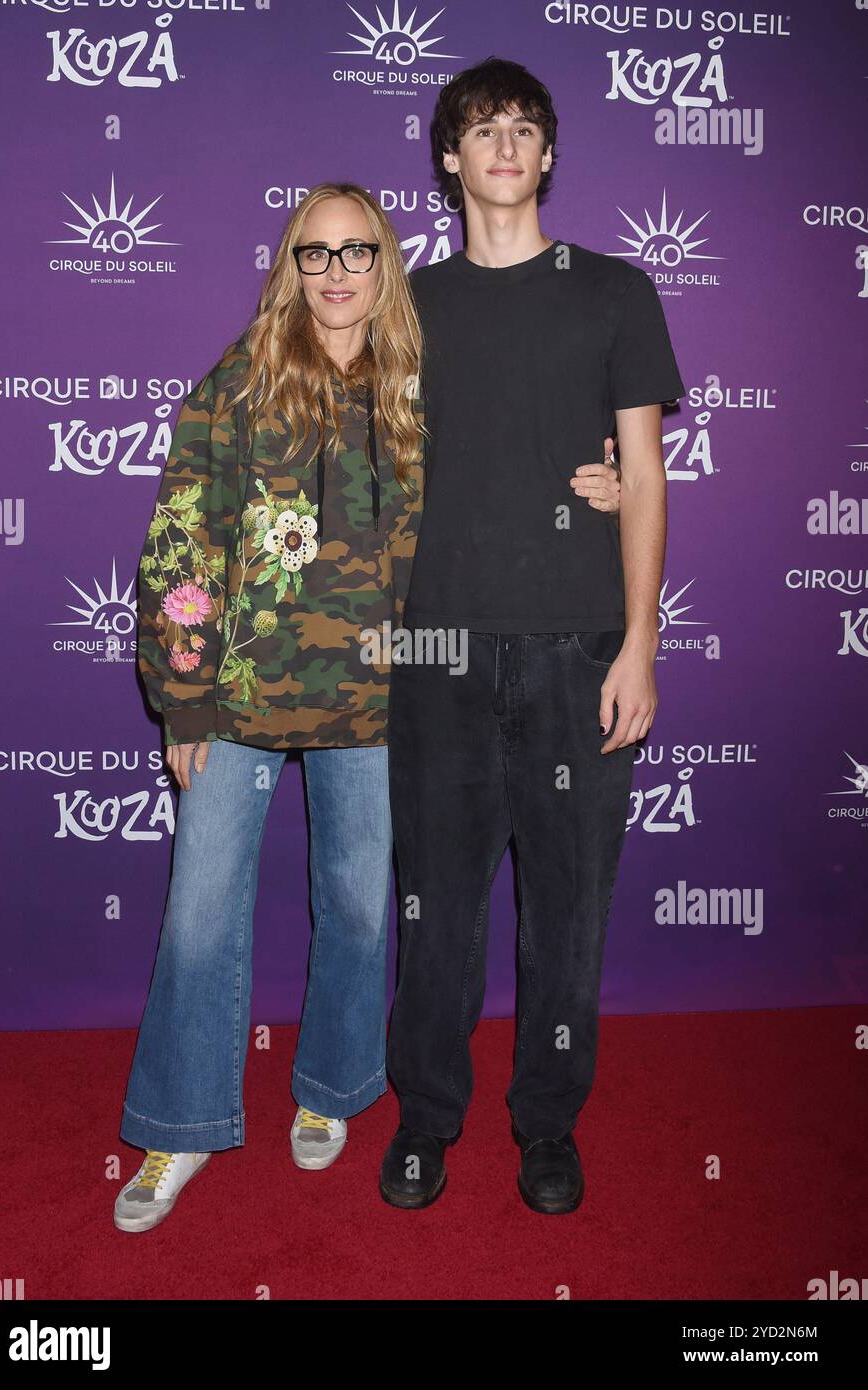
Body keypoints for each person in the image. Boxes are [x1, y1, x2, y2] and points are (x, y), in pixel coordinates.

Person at [114, 181, 623, 1234]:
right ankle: (178, 1121)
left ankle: (332, 1088)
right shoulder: (238, 384)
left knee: (357, 909)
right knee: (200, 918)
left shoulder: (420, 385)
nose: (338, 273)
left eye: (357, 252)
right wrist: (185, 697)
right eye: (315, 253)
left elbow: (511, 479)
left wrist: (604, 484)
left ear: (384, 263)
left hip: (387, 699)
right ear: (289, 268)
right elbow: (181, 545)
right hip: (240, 696)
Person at [379, 57, 686, 1215]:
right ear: (449, 158)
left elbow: (646, 479)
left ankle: (548, 1126)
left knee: (567, 914)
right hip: (436, 656)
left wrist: (640, 645)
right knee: (436, 909)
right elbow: (368, 474)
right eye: (480, 128)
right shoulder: (408, 306)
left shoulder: (614, 288)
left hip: (578, 647)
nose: (504, 143)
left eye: (523, 127)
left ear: (547, 154)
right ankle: (425, 1118)